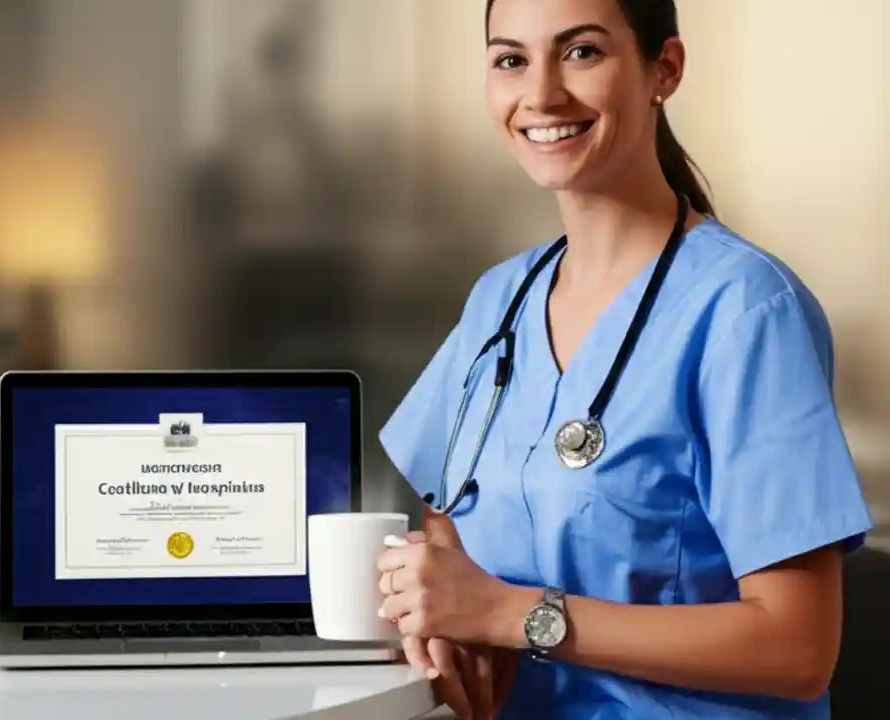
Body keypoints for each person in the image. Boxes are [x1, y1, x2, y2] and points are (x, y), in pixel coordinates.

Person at [374, 0, 875, 718]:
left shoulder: (745, 312)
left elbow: (797, 650)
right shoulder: (500, 302)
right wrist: (451, 618)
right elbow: (446, 510)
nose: (541, 95)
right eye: (511, 60)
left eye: (581, 53)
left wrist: (511, 616)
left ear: (663, 70)